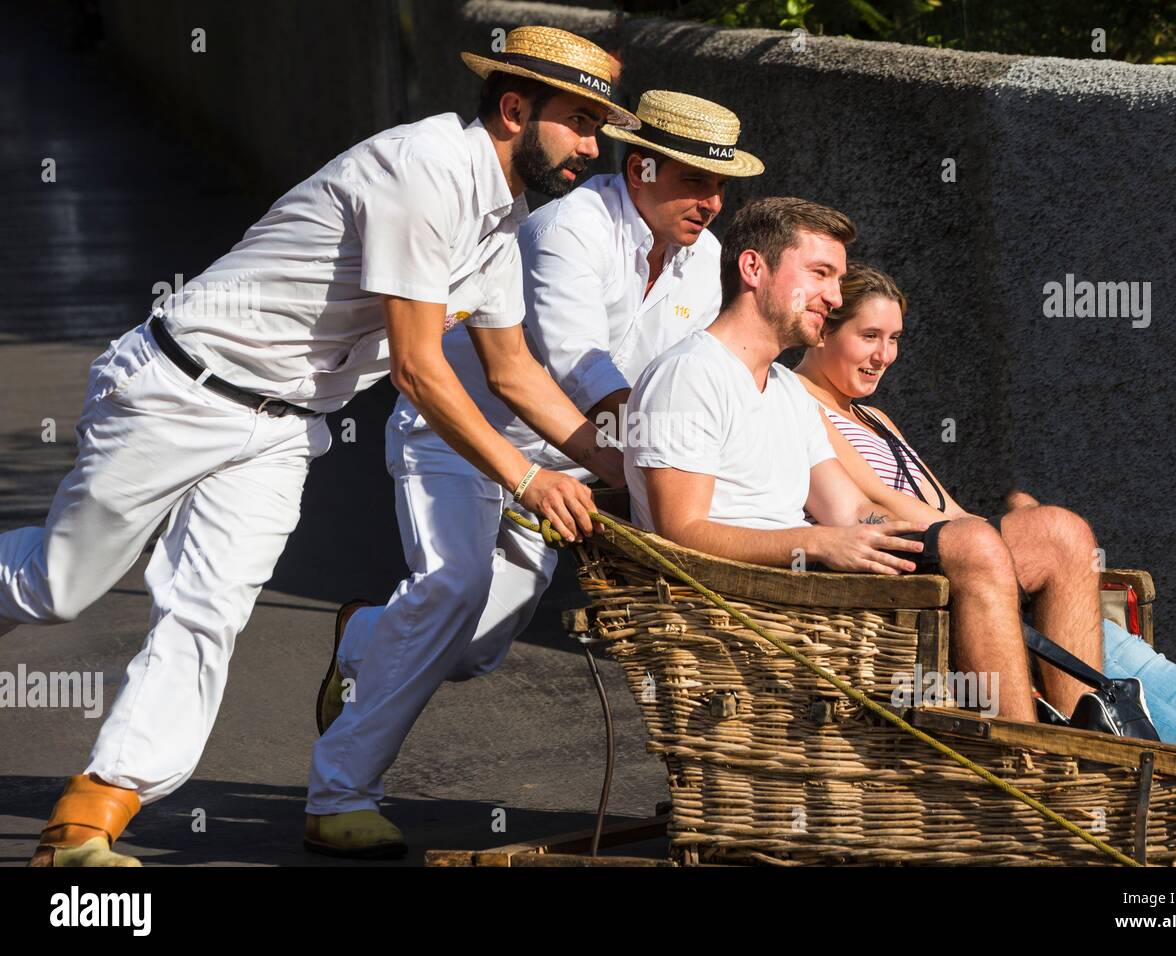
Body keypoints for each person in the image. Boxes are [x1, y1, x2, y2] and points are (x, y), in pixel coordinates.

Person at [5, 24, 638, 867]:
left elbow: (515, 370)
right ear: (515, 109)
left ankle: (89, 819)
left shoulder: (501, 217)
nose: (593, 149)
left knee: (208, 612)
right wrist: (528, 478)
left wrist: (618, 468)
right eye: (581, 124)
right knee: (59, 587)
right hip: (175, 391)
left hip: (276, 428)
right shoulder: (428, 173)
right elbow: (418, 370)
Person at [305, 90, 766, 857]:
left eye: (722, 187)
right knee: (453, 588)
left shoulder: (705, 262)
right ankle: (340, 792)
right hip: (458, 437)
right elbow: (582, 368)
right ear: (642, 165)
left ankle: (363, 636)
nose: (712, 203)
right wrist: (648, 471)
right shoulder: (566, 228)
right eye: (695, 181)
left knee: (474, 647)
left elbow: (695, 376)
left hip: (564, 463)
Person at [791, 260, 1176, 760]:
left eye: (895, 338)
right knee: (1059, 534)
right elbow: (881, 506)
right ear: (823, 333)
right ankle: (1124, 755)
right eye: (870, 336)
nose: (884, 355)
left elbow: (944, 504)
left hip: (958, 551)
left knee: (1117, 649)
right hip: (915, 569)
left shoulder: (873, 417)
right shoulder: (807, 406)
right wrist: (1005, 535)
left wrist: (1001, 530)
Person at [623, 196, 1099, 728]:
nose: (832, 295)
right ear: (753, 267)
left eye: (838, 277)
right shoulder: (689, 374)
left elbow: (848, 510)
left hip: (813, 580)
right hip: (754, 604)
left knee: (1048, 533)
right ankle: (1025, 760)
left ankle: (1086, 731)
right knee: (979, 547)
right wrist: (817, 542)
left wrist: (933, 536)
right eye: (820, 274)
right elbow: (679, 532)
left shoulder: (783, 388)